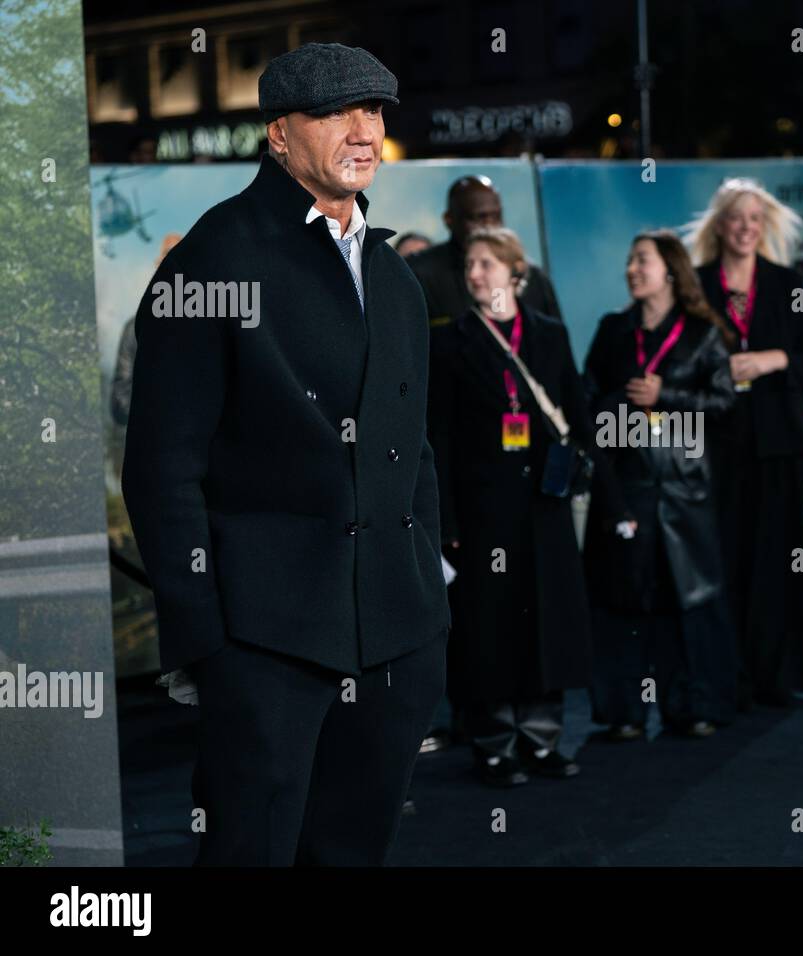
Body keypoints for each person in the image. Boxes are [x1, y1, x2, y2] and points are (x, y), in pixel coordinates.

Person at [121, 43, 449, 865]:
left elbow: (414, 452)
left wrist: (426, 600)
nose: (364, 130)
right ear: (278, 134)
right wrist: (205, 645)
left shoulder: (396, 275)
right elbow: (163, 469)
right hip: (266, 645)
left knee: (351, 852)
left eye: (374, 111)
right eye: (337, 112)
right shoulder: (214, 260)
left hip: (393, 638)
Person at [429, 226, 601, 786]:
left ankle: (543, 739)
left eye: (487, 263)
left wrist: (577, 473)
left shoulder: (549, 334)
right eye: (470, 264)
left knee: (547, 625)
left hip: (544, 509)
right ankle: (494, 743)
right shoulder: (451, 342)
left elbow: (576, 412)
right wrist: (447, 521)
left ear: (515, 272)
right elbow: (441, 440)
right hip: (483, 517)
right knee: (489, 631)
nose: (474, 273)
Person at [582, 229, 737, 740]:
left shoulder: (703, 333)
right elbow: (588, 400)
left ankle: (693, 706)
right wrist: (618, 407)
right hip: (627, 485)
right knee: (623, 599)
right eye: (629, 261)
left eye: (642, 260)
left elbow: (723, 404)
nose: (632, 269)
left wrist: (665, 395)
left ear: (670, 270)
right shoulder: (613, 330)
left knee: (688, 600)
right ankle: (622, 713)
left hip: (683, 489)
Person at [686, 177, 803, 708]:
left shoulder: (788, 283)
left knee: (781, 560)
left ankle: (779, 674)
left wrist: (775, 359)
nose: (745, 228)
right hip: (717, 444)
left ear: (764, 225)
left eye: (754, 218)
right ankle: (730, 674)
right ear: (720, 225)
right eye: (735, 218)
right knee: (725, 559)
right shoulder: (697, 286)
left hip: (780, 444)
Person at [406, 175, 562, 326]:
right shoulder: (417, 274)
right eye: (477, 218)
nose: (489, 226)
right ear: (449, 220)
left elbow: (553, 340)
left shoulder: (531, 276)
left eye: (495, 216)